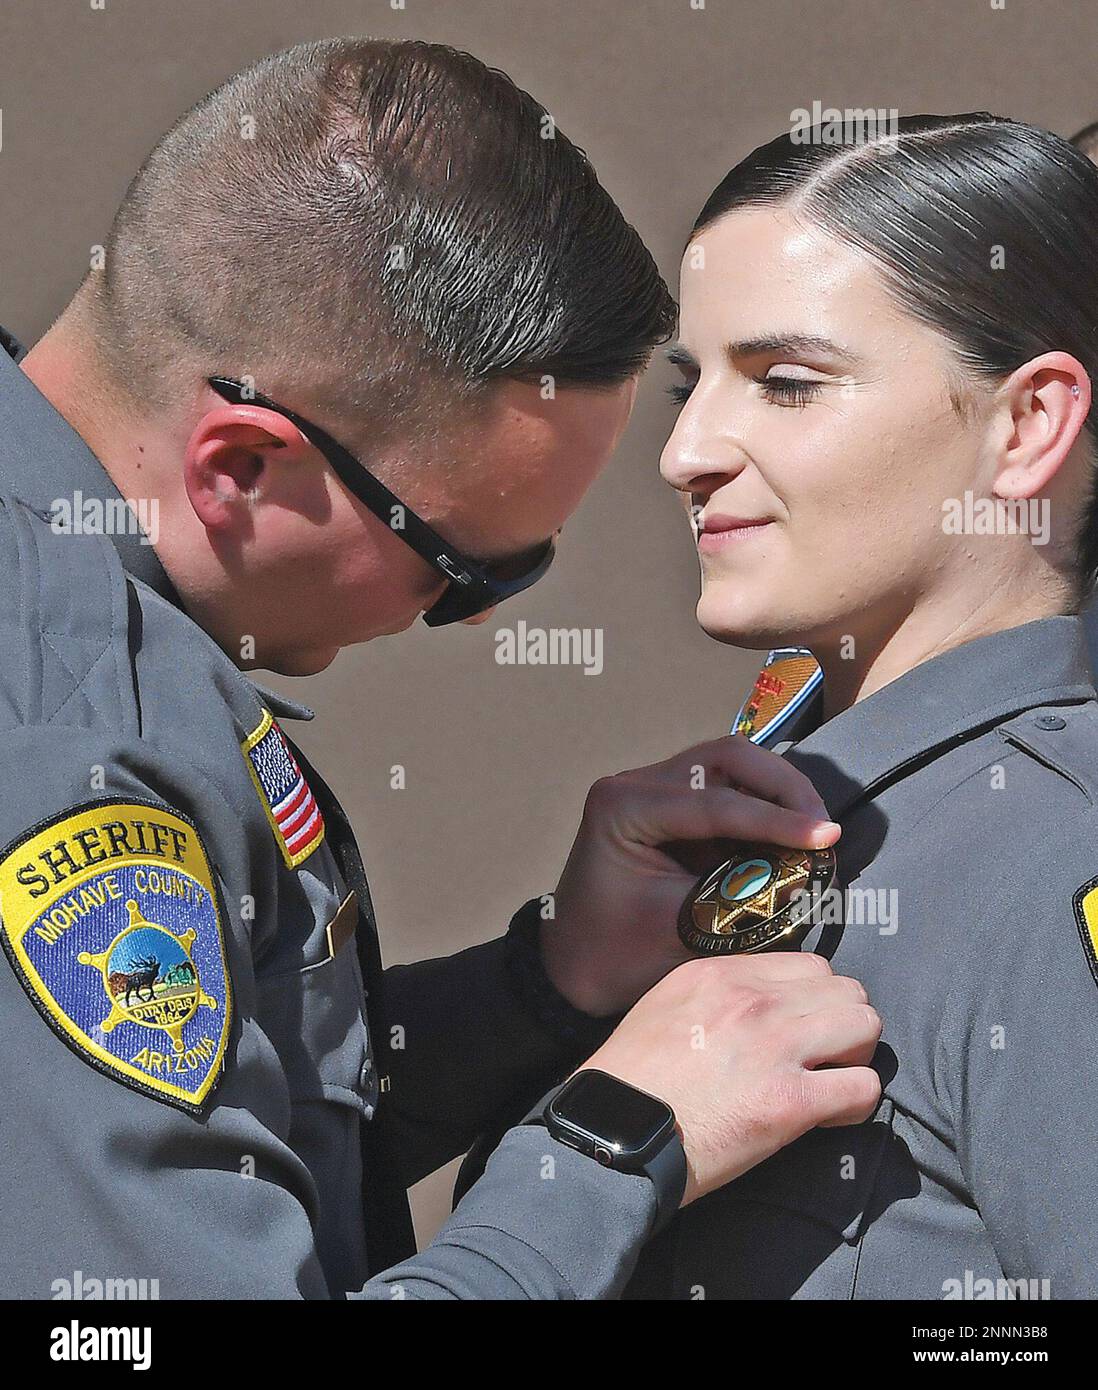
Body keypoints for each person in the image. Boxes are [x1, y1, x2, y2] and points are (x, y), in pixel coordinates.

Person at [0, 38, 883, 1299]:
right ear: (242, 470)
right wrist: (614, 1136)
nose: (469, 624)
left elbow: (230, 1137)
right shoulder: (63, 727)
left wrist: (543, 986)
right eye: (468, 571)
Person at [621, 112, 1098, 1299]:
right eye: (692, 383)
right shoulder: (777, 790)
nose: (686, 450)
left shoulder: (1057, 846)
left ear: (1029, 421)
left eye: (785, 383)